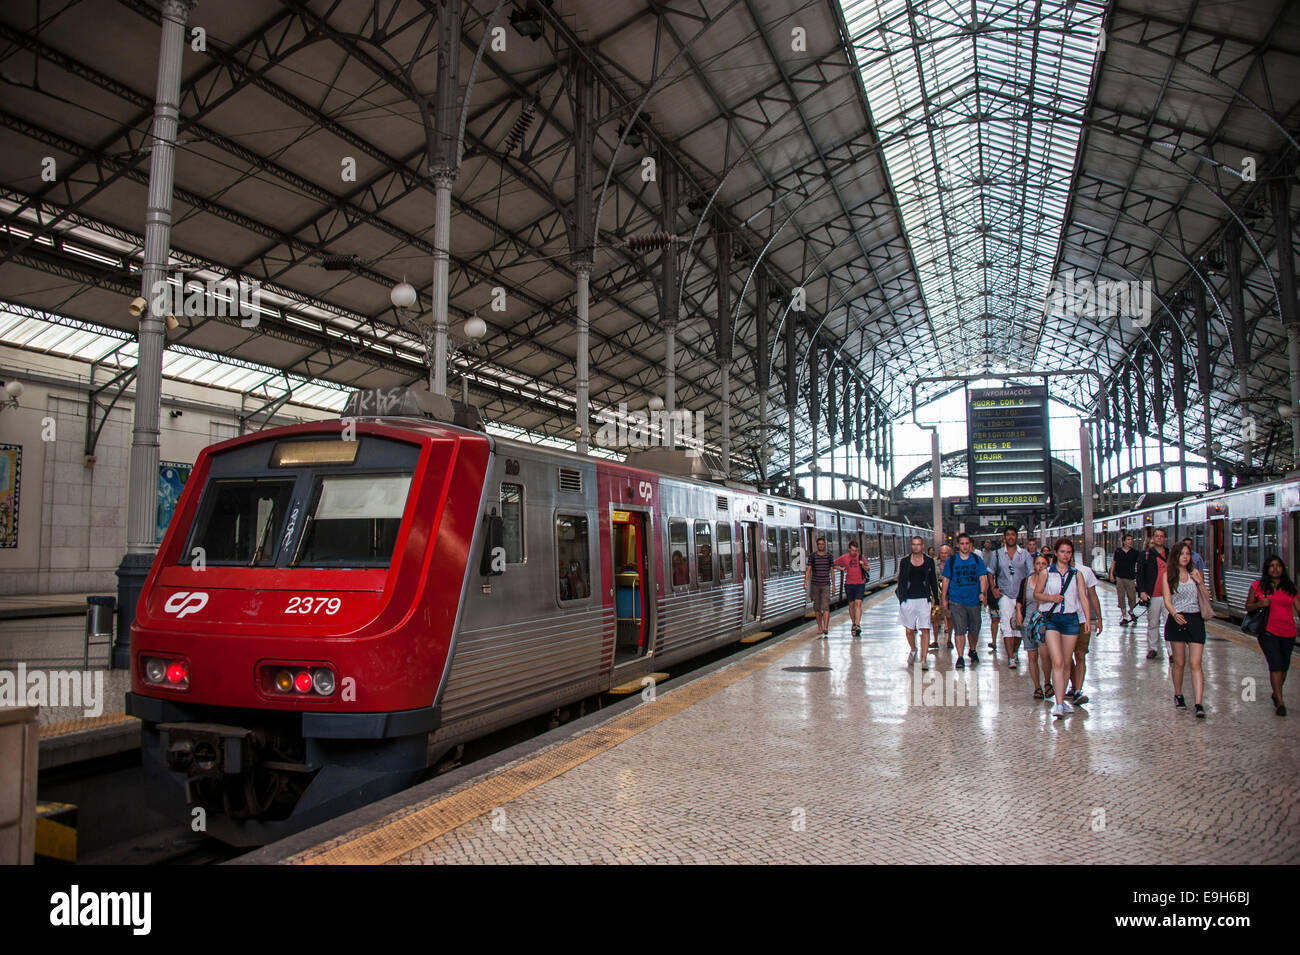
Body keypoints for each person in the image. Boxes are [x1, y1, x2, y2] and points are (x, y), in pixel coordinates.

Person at [1033, 537, 1092, 719]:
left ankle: (1061, 701)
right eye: (1062, 552)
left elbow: (1083, 597)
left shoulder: (1077, 575)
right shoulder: (1046, 573)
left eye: (1069, 552)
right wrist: (1051, 598)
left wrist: (1088, 619)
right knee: (1057, 660)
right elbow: (1037, 594)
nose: (1066, 555)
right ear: (1056, 553)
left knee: (1066, 662)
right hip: (1052, 619)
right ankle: (1058, 704)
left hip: (1071, 620)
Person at [1245, 556, 1300, 717]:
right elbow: (1248, 606)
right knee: (1275, 664)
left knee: (1284, 667)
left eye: (1278, 566)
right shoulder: (1258, 586)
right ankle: (1280, 703)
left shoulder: (1291, 588)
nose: (1275, 569)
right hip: (1268, 632)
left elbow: (1298, 607)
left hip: (1288, 632)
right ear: (1266, 569)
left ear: (1283, 568)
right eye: (1272, 566)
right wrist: (1259, 604)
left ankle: (1276, 692)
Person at [1162, 541, 1212, 717]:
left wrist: (1200, 583)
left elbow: (1207, 597)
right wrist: (1174, 614)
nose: (1185, 557)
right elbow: (1167, 599)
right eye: (1182, 554)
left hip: (1195, 619)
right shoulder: (1168, 575)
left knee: (1196, 663)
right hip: (1178, 619)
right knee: (1179, 662)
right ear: (1175, 556)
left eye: (1188, 554)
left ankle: (1199, 703)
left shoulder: (1195, 573)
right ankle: (1178, 693)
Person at [988, 526, 1034, 669]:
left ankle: (1014, 651)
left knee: (1019, 626)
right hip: (1005, 594)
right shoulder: (997, 554)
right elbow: (990, 572)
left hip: (1021, 595)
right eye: (1008, 535)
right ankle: (1010, 657)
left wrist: (1029, 593)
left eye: (1013, 535)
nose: (1010, 537)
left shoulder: (1025, 554)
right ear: (1004, 537)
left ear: (1017, 537)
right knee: (1006, 625)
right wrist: (993, 588)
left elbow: (1031, 574)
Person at [941, 533, 987, 668]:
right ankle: (960, 657)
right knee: (959, 630)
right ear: (958, 545)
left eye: (967, 543)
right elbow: (946, 579)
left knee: (974, 629)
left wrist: (983, 593)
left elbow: (983, 577)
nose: (965, 546)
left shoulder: (977, 560)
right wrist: (944, 598)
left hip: (974, 600)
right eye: (962, 543)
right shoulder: (952, 560)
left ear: (971, 545)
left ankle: (972, 649)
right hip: (956, 600)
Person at [1014, 553, 1053, 699]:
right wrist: (1018, 612)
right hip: (1027, 623)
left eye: (1044, 564)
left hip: (1044, 623)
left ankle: (1047, 683)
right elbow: (1019, 600)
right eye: (1038, 563)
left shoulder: (1051, 582)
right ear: (1033, 565)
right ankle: (1037, 687)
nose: (1040, 566)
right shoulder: (1026, 582)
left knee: (1045, 656)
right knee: (1032, 656)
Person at [897, 536, 938, 669]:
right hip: (908, 599)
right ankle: (913, 649)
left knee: (925, 629)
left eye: (918, 544)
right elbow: (901, 581)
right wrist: (902, 600)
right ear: (911, 546)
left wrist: (935, 599)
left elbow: (933, 581)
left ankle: (924, 659)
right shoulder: (904, 562)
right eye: (914, 544)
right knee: (909, 630)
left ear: (923, 545)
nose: (916, 547)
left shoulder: (929, 561)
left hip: (924, 599)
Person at [1066, 558, 1102, 706]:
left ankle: (1078, 690)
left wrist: (1098, 618)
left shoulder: (1085, 571)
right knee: (1067, 657)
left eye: (1068, 552)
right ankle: (1074, 685)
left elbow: (1093, 595)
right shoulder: (1053, 572)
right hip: (1065, 620)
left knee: (1080, 654)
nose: (1066, 555)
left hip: (1082, 619)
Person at [1137, 528, 1170, 660]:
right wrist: (1142, 591)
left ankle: (1171, 652)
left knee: (1170, 624)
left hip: (1168, 595)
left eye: (1161, 536)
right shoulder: (1146, 555)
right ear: (1153, 539)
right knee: (1153, 623)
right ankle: (1153, 648)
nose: (1159, 538)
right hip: (1153, 595)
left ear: (1165, 539)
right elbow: (1140, 574)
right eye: (1157, 536)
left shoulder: (1170, 554)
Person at [834, 541, 871, 637]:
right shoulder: (844, 557)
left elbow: (868, 568)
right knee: (851, 605)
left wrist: (863, 564)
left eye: (856, 550)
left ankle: (858, 624)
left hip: (860, 583)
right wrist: (841, 569)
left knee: (858, 603)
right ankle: (853, 622)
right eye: (852, 550)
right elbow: (833, 564)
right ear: (849, 549)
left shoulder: (860, 557)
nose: (854, 552)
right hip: (849, 584)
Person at [805, 536, 834, 637]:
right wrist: (805, 581)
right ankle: (820, 627)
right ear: (817, 545)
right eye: (819, 544)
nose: (821, 546)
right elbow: (809, 569)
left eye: (822, 544)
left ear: (824, 545)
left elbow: (832, 571)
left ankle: (826, 627)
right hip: (815, 584)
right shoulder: (812, 556)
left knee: (825, 606)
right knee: (817, 607)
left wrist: (834, 585)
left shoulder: (829, 556)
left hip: (826, 584)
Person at [1109, 533, 1140, 625]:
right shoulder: (1118, 551)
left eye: (1131, 540)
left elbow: (1138, 565)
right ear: (1124, 541)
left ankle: (1131, 610)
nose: (1130, 541)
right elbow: (1114, 563)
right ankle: (1124, 616)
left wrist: (1138, 578)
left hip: (1130, 578)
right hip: (1120, 577)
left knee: (1132, 597)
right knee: (1121, 596)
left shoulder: (1135, 553)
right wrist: (1111, 574)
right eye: (1128, 540)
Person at [931, 543, 954, 650]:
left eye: (946, 553)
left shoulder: (954, 564)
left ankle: (949, 639)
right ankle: (935, 640)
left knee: (949, 616)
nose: (944, 555)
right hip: (937, 593)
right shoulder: (934, 563)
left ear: (950, 554)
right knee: (935, 617)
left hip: (951, 592)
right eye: (942, 553)